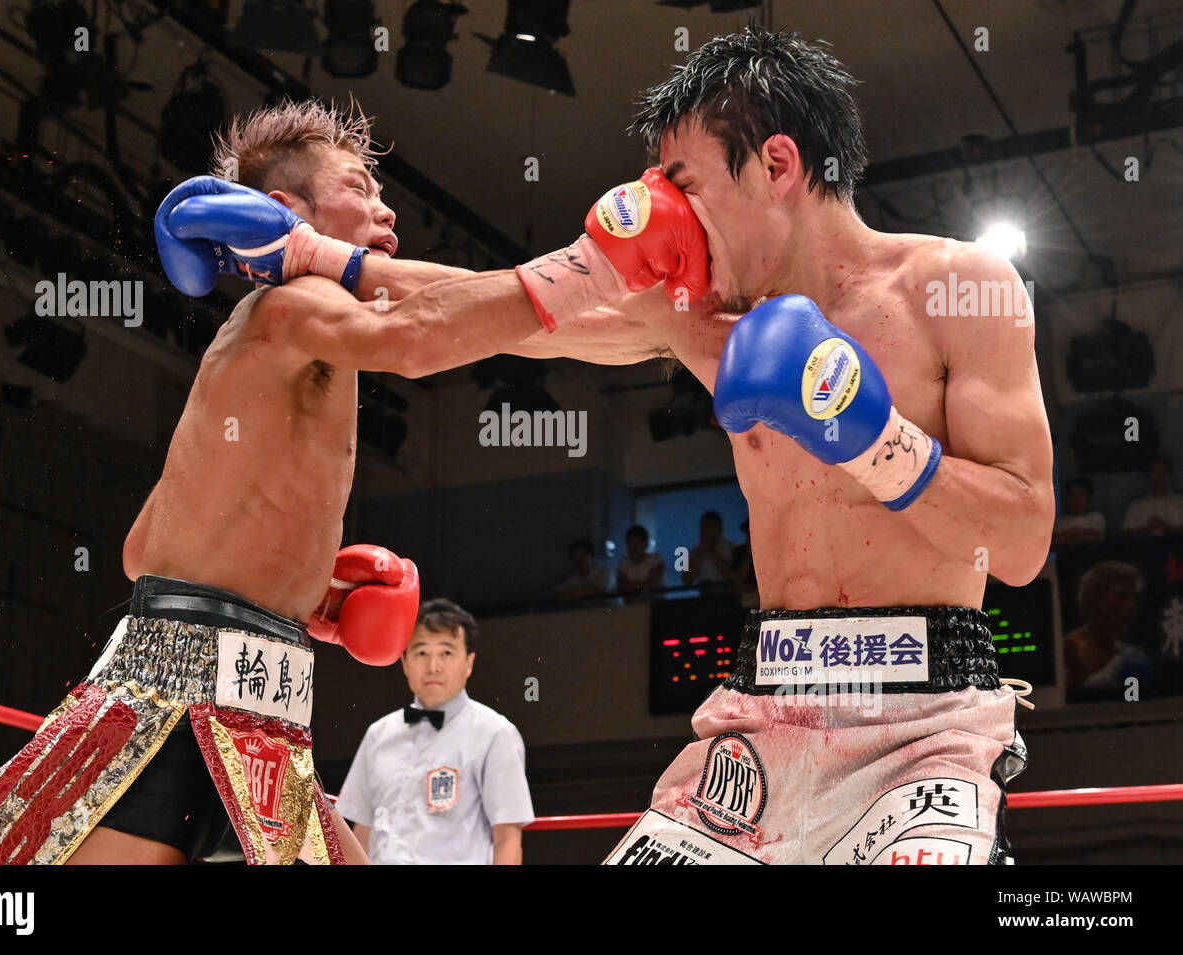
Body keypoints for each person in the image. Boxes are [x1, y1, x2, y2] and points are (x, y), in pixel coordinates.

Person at [161, 27, 1052, 864]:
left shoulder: (957, 288)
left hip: (924, 720)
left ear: (777, 164)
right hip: (764, 711)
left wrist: (870, 434)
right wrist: (317, 256)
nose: (668, 211)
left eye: (684, 184)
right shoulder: (694, 315)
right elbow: (487, 302)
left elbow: (1018, 542)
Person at [0, 97, 585, 866]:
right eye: (359, 186)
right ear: (286, 214)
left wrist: (299, 580)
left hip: (259, 702)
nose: (386, 207)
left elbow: (141, 548)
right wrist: (588, 276)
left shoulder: (289, 331)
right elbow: (413, 335)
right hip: (177, 697)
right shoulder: (296, 304)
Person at [336, 599, 535, 864]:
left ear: (469, 663)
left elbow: (507, 839)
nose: (433, 666)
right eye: (421, 653)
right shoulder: (378, 734)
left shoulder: (495, 734)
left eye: (446, 653)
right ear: (404, 662)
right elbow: (362, 832)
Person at [1063, 561, 1152, 701]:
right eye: (1121, 595)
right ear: (1093, 598)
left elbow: (1136, 703)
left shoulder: (1130, 655)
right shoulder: (1070, 649)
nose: (1131, 605)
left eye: (1133, 598)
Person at [1123, 456, 1183, 536]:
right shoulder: (1136, 506)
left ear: (1170, 476)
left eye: (1163, 471)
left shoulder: (1180, 503)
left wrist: (1168, 528)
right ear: (1147, 476)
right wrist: (1148, 529)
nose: (1159, 476)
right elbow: (1128, 535)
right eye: (1154, 471)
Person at [682, 510, 735, 588]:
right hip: (705, 592)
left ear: (719, 528)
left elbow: (733, 576)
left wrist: (710, 551)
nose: (706, 530)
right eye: (703, 526)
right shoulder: (694, 552)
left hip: (726, 592)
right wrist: (700, 554)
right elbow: (687, 580)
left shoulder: (730, 548)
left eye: (710, 526)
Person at [1052, 477, 1106, 548]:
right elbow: (1055, 541)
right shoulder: (1060, 522)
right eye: (1073, 496)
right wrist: (1076, 533)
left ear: (1088, 498)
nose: (1076, 500)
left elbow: (1092, 538)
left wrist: (1067, 535)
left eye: (1080, 496)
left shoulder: (1096, 518)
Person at [553, 537, 611, 601]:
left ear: (591, 556)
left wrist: (574, 592)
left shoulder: (604, 573)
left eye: (583, 555)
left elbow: (601, 591)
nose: (579, 559)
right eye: (575, 556)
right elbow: (558, 593)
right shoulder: (573, 579)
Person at [616, 524, 666, 596]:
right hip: (631, 603)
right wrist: (641, 586)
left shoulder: (655, 560)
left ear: (645, 544)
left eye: (636, 544)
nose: (632, 548)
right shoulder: (623, 563)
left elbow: (651, 585)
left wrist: (631, 586)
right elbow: (621, 587)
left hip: (654, 602)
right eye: (629, 544)